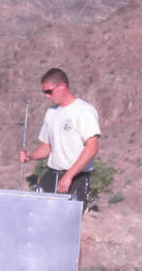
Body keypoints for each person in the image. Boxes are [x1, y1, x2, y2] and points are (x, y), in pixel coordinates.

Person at [20, 68, 100, 205]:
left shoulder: (84, 111)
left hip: (76, 178)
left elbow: (92, 147)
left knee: (66, 224)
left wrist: (69, 175)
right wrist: (30, 156)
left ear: (62, 86)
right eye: (44, 92)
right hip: (52, 176)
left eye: (49, 91)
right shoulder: (51, 113)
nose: (47, 96)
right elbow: (48, 146)